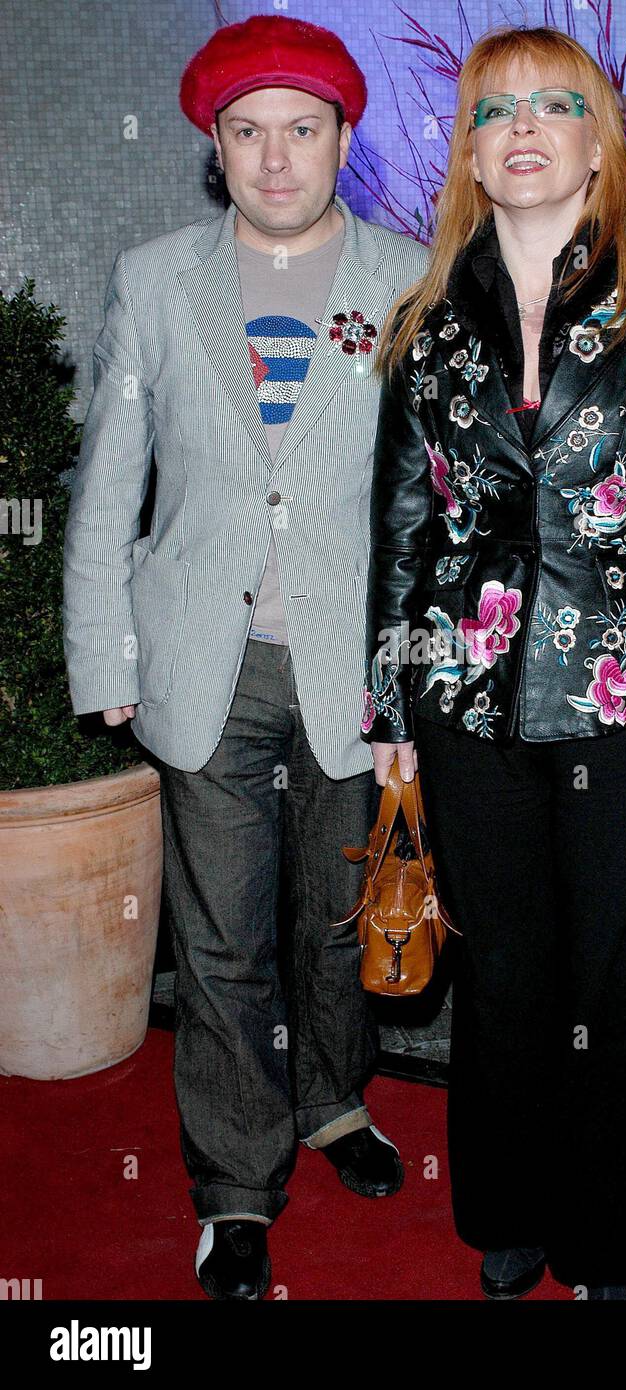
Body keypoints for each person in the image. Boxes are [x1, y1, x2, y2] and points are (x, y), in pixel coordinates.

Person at [361, 24, 626, 1300]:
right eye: (493, 111)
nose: (521, 127)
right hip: (466, 697)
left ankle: (608, 1242)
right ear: (472, 154)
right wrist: (390, 705)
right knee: (509, 975)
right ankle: (512, 1207)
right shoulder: (425, 325)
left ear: (599, 145)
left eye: (553, 105)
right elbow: (403, 526)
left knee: (623, 979)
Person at [62, 14, 429, 1301]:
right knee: (221, 944)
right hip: (200, 660)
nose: (277, 160)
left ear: (343, 136)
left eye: (303, 129)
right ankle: (234, 1181)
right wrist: (102, 647)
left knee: (339, 923)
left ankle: (334, 1102)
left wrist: (428, 671)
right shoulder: (156, 277)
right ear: (215, 147)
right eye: (248, 133)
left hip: (358, 662)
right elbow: (108, 479)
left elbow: (438, 493)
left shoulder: (411, 278)